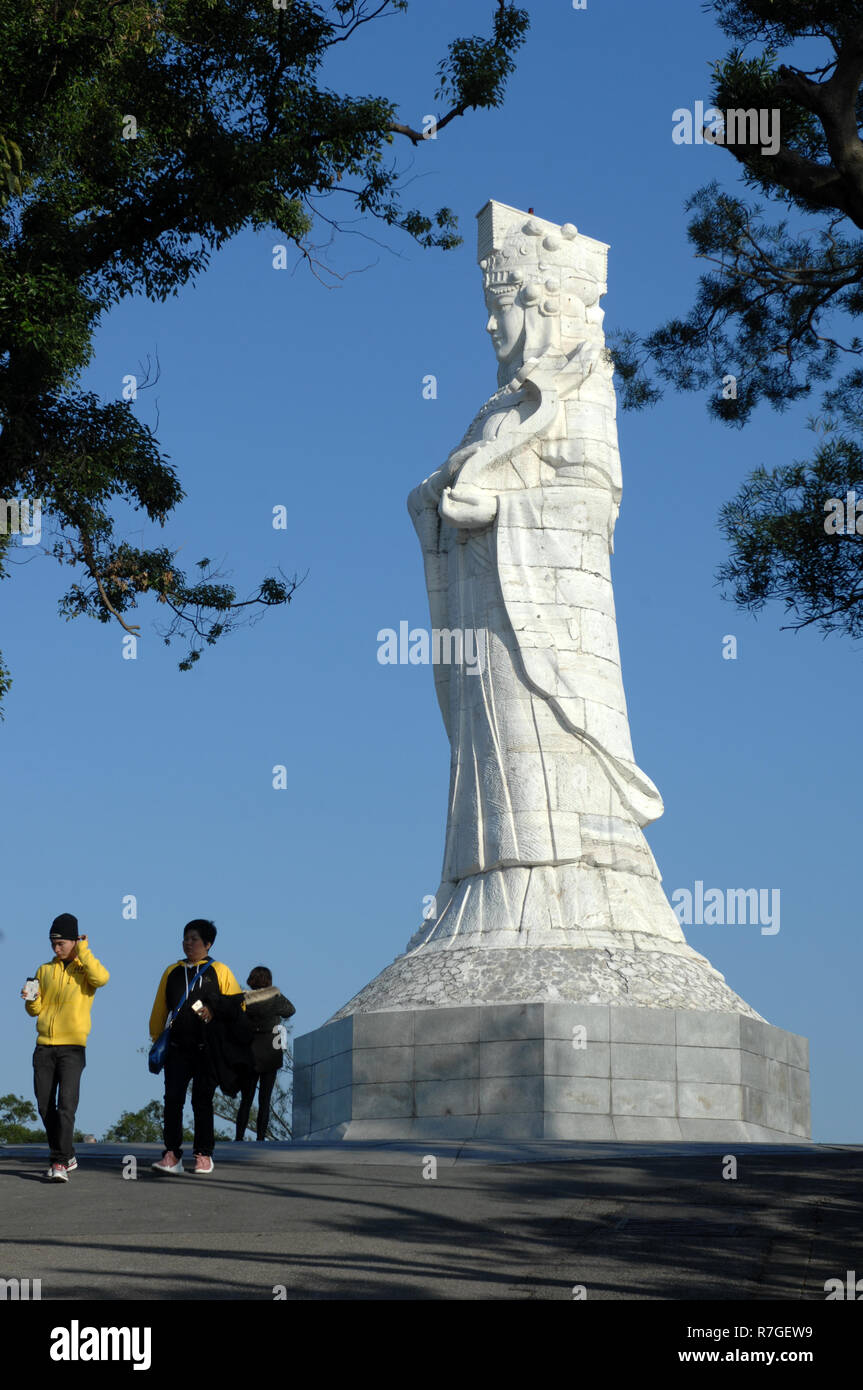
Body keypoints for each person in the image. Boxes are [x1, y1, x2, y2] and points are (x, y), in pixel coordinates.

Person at [148, 919, 242, 1176]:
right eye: (185, 938)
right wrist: (156, 1037)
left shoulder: (220, 971)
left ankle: (203, 1154)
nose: (188, 943)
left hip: (207, 1048)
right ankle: (171, 1154)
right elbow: (160, 1008)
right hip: (178, 1047)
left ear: (208, 944)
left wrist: (214, 1011)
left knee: (202, 1101)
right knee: (172, 1100)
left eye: (194, 939)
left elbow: (237, 1006)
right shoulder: (172, 972)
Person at [22, 913, 110, 1182]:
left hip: (72, 1048)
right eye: (52, 943)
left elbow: (102, 978)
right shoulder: (43, 970)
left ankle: (58, 1162)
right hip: (44, 1047)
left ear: (74, 941)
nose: (56, 948)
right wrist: (31, 999)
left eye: (61, 943)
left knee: (66, 1105)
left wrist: (84, 951)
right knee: (44, 1105)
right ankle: (67, 1153)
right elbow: (34, 1010)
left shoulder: (85, 969)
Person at [235, 967, 295, 1142]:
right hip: (271, 1052)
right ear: (268, 980)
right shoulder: (275, 997)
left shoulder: (244, 999)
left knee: (246, 1099)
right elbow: (290, 1010)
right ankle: (260, 1137)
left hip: (250, 1052)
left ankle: (239, 1137)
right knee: (265, 1100)